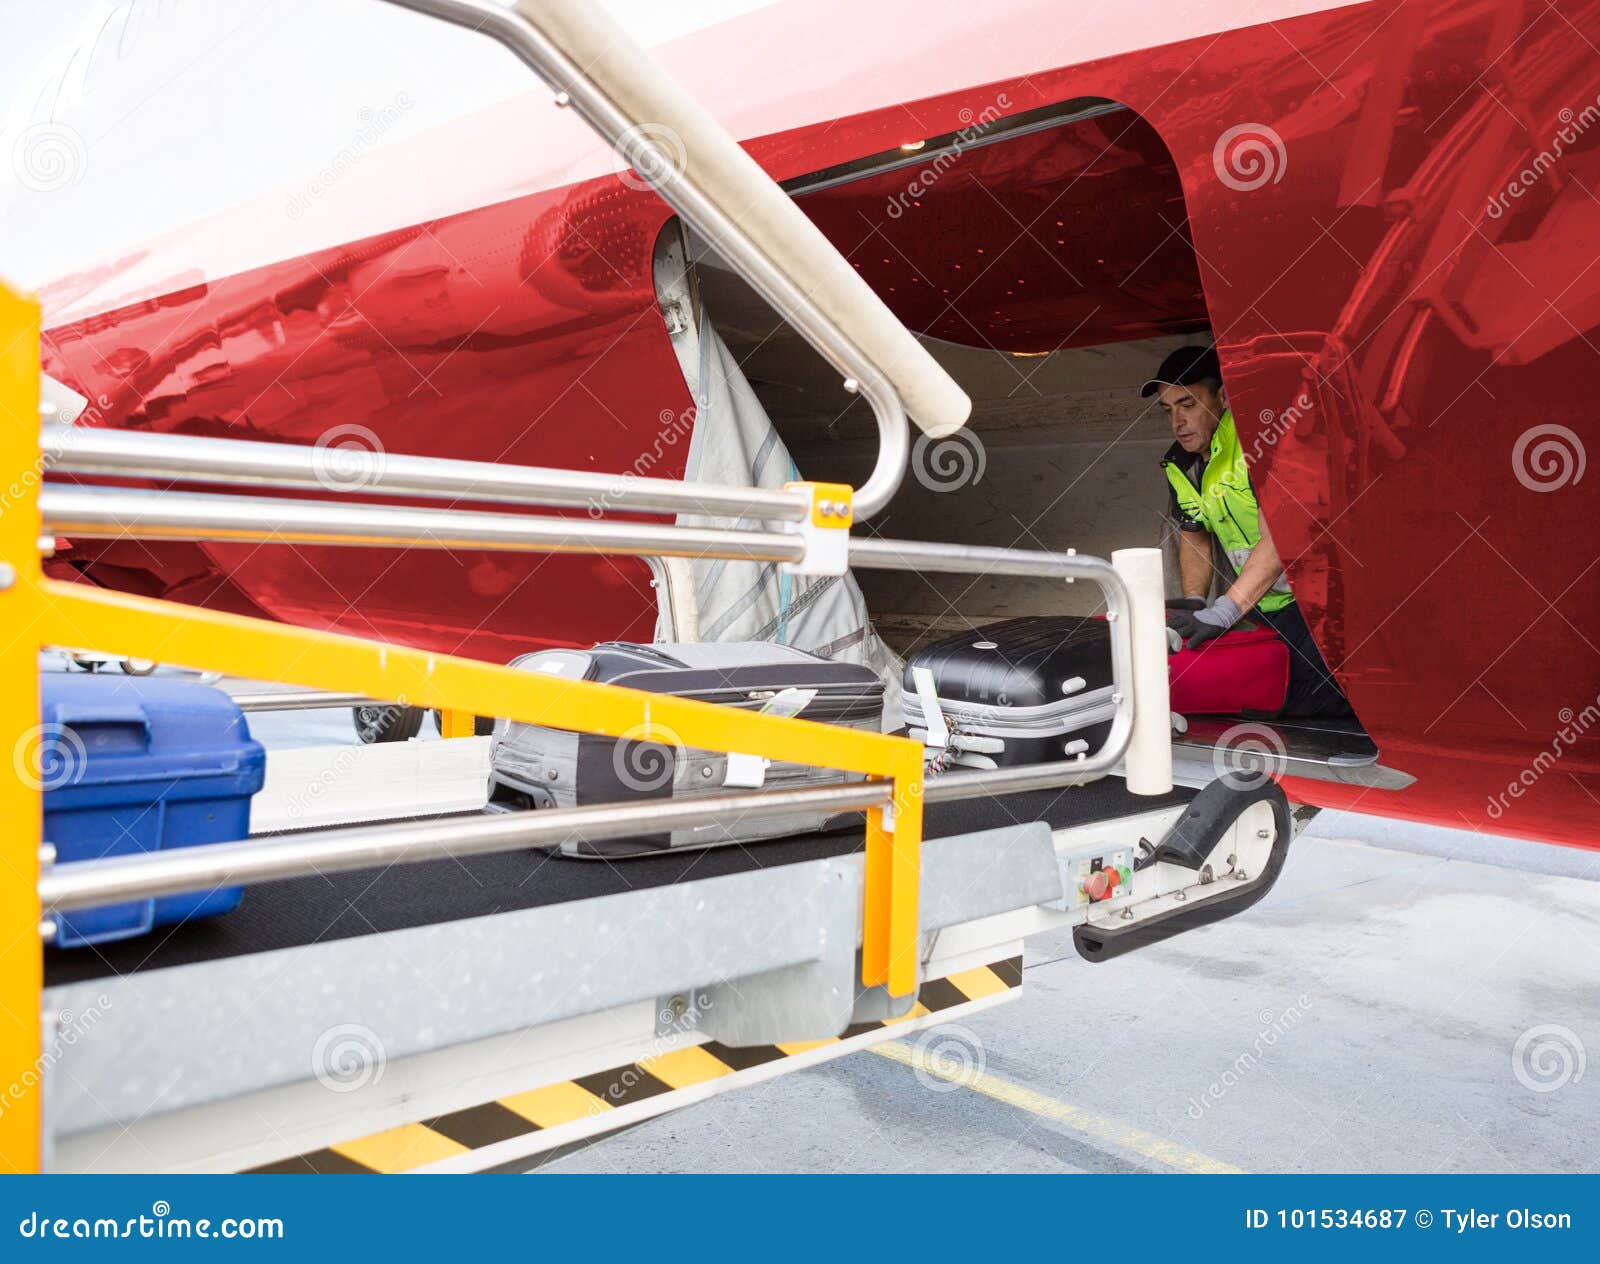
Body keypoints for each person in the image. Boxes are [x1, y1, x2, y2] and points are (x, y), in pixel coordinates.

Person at [1144, 345, 1352, 719]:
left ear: (1223, 396)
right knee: (1260, 696)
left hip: (1323, 605)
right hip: (1265, 605)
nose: (1177, 421)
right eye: (1168, 409)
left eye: (1187, 404)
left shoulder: (1260, 443)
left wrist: (1224, 611)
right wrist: (1195, 602)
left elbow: (1280, 536)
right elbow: (1195, 532)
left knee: (1308, 702)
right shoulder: (1180, 463)